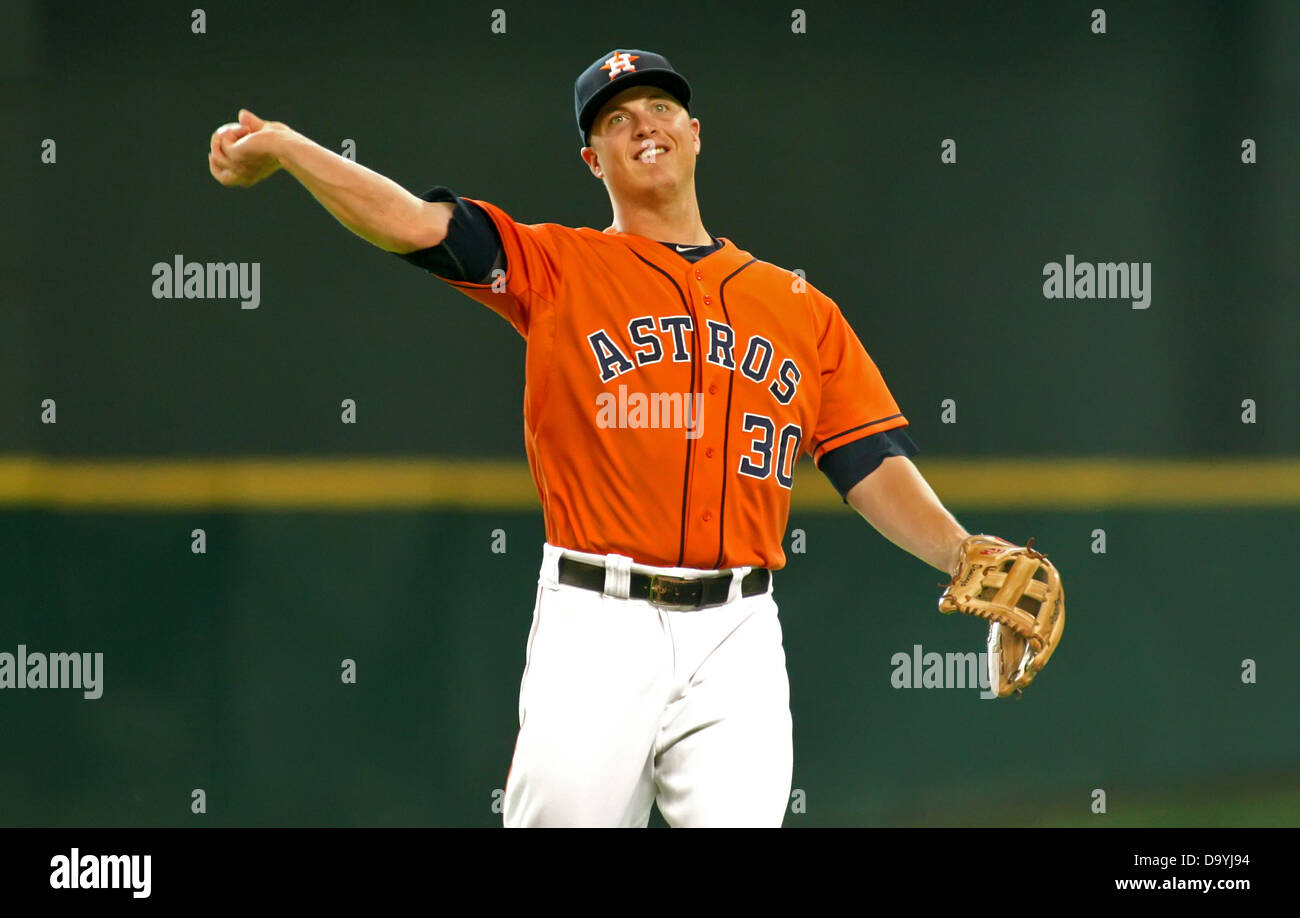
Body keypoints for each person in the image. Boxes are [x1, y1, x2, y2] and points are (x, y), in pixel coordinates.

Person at [207, 49, 971, 828]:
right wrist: (289, 148)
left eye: (661, 108)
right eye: (616, 118)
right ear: (592, 158)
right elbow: (411, 222)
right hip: (600, 622)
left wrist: (963, 553)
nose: (645, 124)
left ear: (696, 133)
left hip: (740, 632)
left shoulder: (801, 307)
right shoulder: (556, 265)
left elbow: (867, 458)